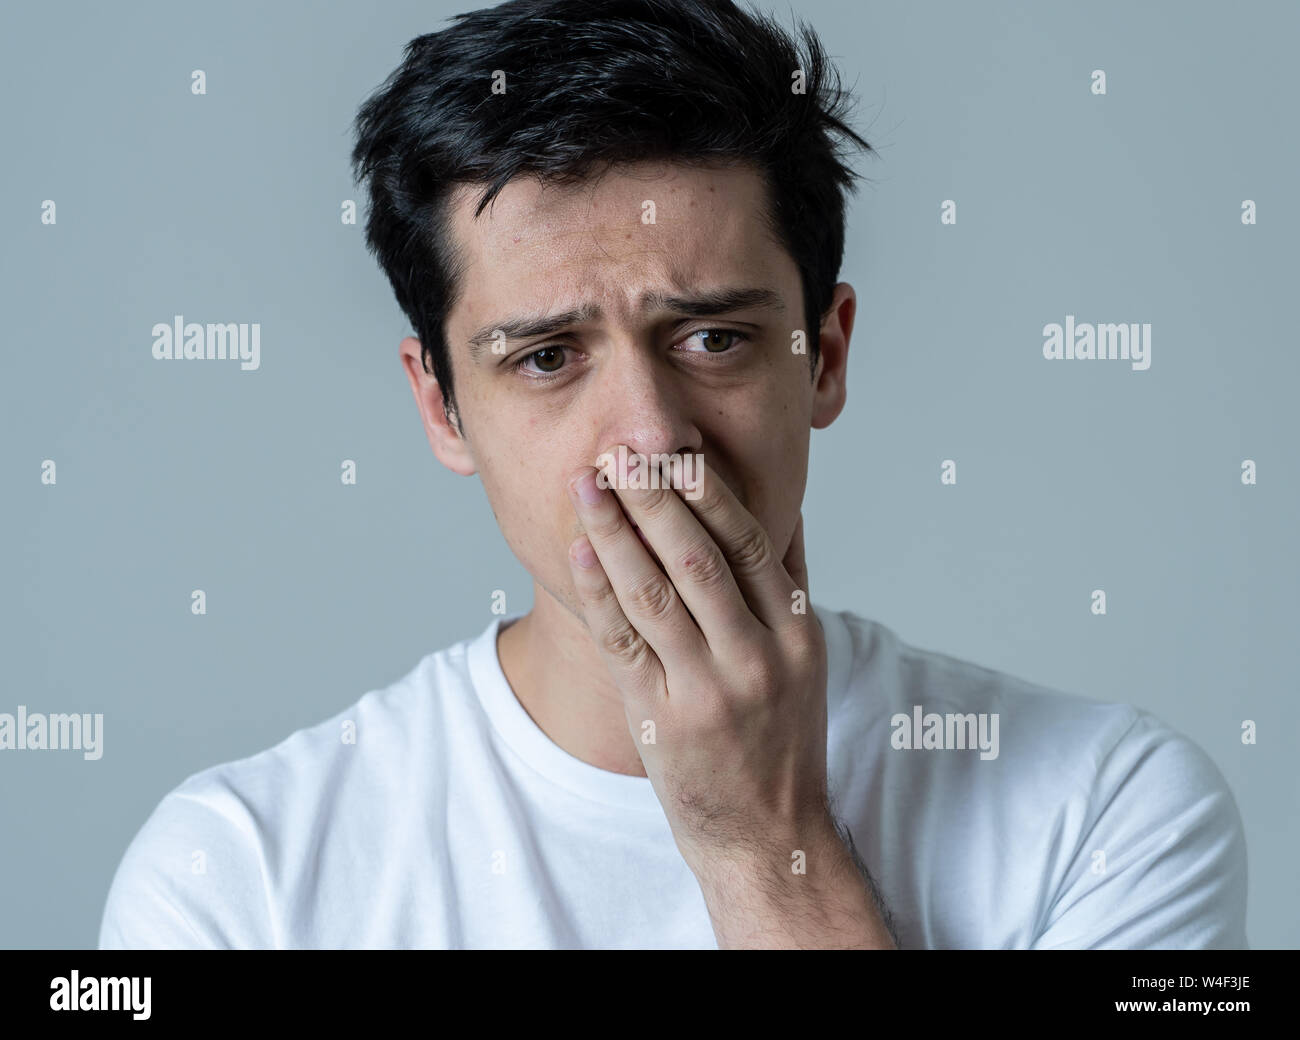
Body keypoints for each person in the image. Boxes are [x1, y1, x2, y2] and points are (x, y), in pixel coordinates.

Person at [98, 0, 1247, 949]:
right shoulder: (234, 878)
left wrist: (761, 844)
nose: (648, 438)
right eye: (547, 358)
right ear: (441, 406)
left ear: (825, 357)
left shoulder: (1113, 810)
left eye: (713, 339)